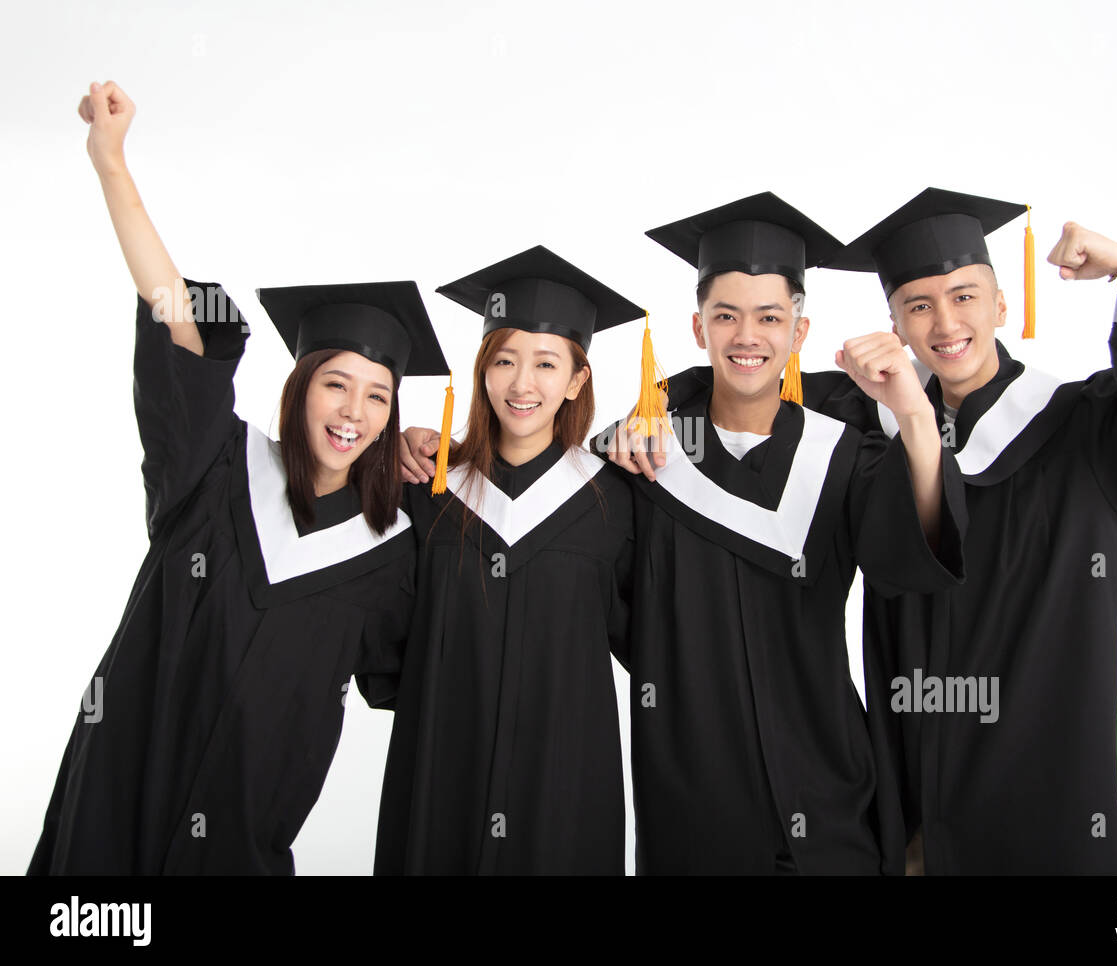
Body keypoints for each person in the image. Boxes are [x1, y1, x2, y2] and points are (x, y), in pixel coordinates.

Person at [665, 187, 1117, 873]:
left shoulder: (1087, 432)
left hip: (1039, 791)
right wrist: (649, 415)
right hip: (905, 787)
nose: (945, 322)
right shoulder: (869, 414)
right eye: (919, 304)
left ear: (1001, 306)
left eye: (964, 297)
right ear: (894, 323)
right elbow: (741, 375)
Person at [29, 81, 444, 875]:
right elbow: (176, 313)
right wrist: (112, 165)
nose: (353, 410)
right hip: (116, 810)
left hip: (242, 844)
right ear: (300, 387)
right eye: (335, 383)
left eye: (378, 396)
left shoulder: (391, 553)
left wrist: (443, 468)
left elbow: (419, 675)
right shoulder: (215, 463)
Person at [597, 192, 966, 874]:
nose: (747, 337)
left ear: (798, 333)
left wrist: (915, 411)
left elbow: (909, 558)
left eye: (770, 317)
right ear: (698, 326)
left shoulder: (842, 456)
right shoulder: (644, 459)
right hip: (695, 795)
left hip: (829, 782)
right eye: (726, 316)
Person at [378, 246, 641, 874]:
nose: (523, 385)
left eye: (547, 363)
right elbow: (385, 637)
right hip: (443, 763)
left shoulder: (617, 501)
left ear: (578, 380)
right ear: (483, 373)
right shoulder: (429, 491)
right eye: (504, 361)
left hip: (564, 776)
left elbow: (648, 636)